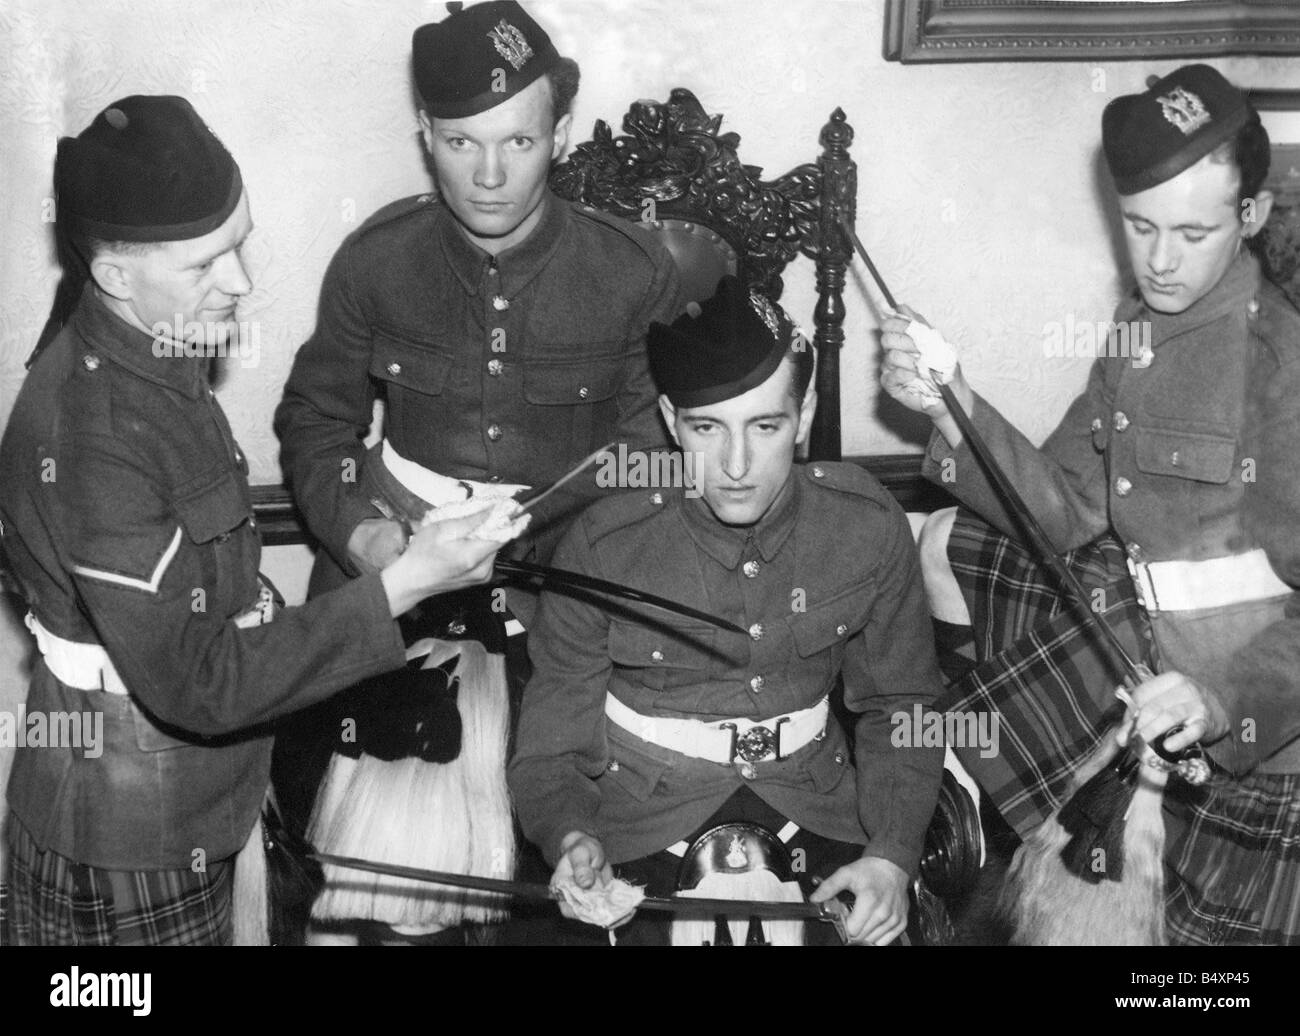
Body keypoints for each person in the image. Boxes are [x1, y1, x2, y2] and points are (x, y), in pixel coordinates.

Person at [0, 95, 510, 946]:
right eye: (204, 264)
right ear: (115, 273)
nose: (238, 281)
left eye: (238, 243)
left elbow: (207, 581)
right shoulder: (90, 434)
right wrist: (404, 583)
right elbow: (199, 684)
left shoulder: (149, 346)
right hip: (133, 829)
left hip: (195, 790)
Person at [271, 0, 682, 943]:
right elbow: (316, 420)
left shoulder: (627, 271)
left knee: (569, 855)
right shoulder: (377, 261)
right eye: (460, 142)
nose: (490, 174)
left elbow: (649, 448)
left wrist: (538, 529)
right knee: (326, 842)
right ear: (425, 134)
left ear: (561, 134)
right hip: (391, 576)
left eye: (519, 141)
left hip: (557, 594)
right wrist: (373, 537)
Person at [882, 64, 1300, 945]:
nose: (1159, 260)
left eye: (1193, 231)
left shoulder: (1282, 370)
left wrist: (1219, 697)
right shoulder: (1136, 329)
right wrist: (950, 400)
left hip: (1250, 735)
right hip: (1142, 667)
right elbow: (1066, 507)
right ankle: (980, 792)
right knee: (950, 540)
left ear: (1252, 215)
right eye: (1141, 225)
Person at [509, 275, 945, 945]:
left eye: (766, 425)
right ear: (668, 421)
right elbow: (549, 751)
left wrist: (890, 854)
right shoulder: (604, 544)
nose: (737, 464)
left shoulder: (864, 525)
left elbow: (903, 706)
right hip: (637, 823)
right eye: (707, 427)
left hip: (816, 808)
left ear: (804, 417)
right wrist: (568, 835)